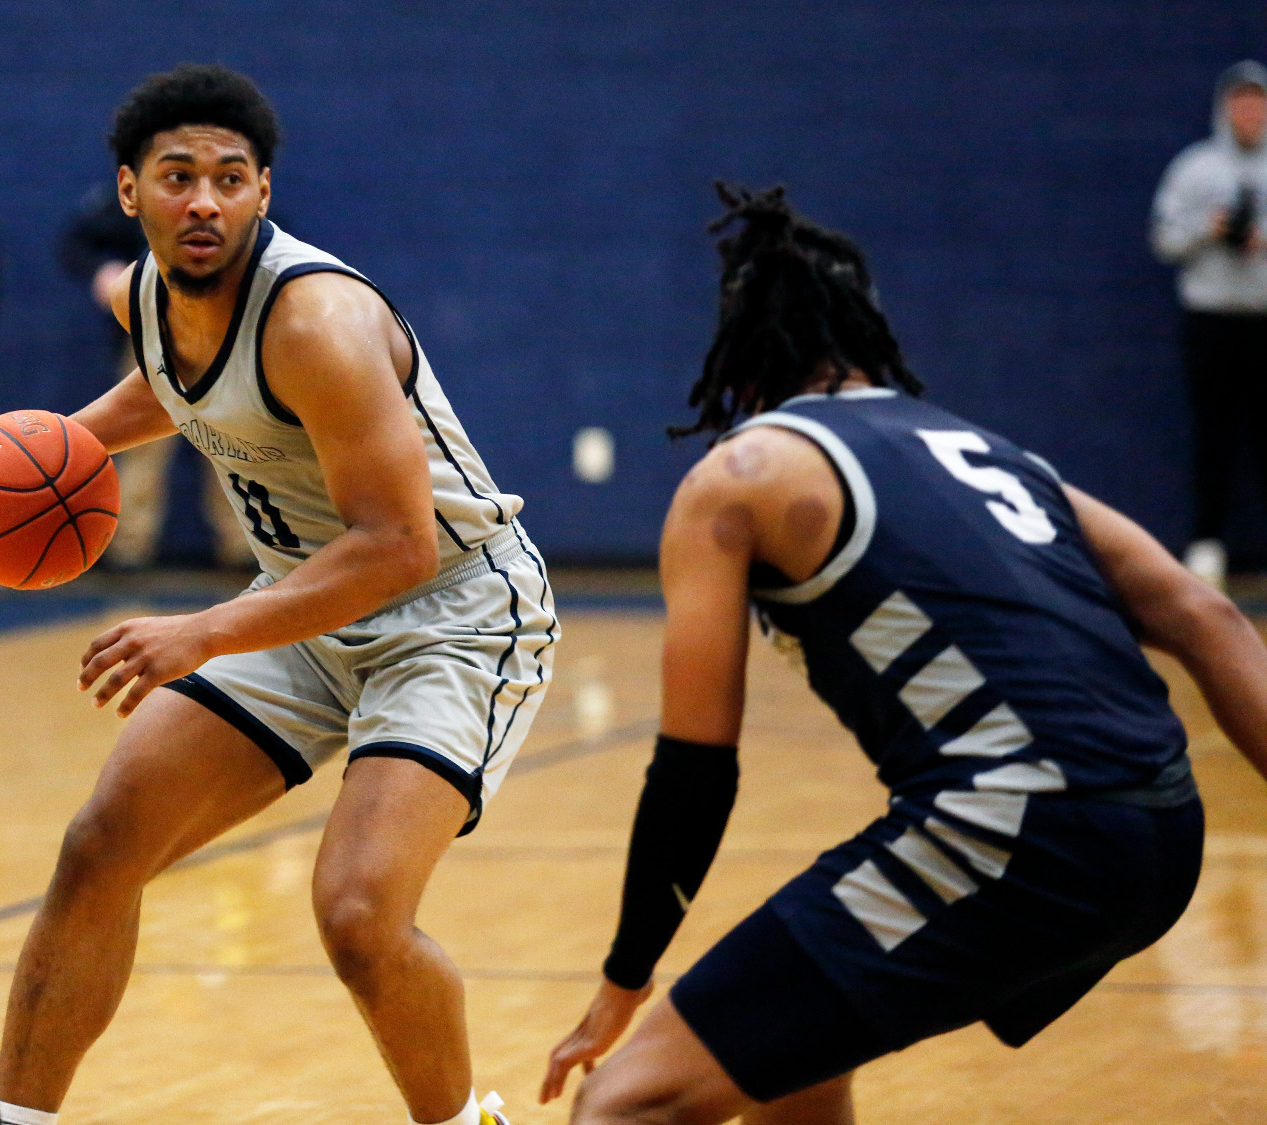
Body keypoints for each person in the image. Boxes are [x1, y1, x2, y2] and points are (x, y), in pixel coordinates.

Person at [539, 185, 1267, 1125]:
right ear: (864, 332)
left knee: (625, 1104)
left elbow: (695, 769)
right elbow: (1208, 615)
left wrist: (624, 977)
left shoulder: (743, 474)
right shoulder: (988, 450)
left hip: (1020, 823)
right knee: (794, 1055)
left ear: (739, 352)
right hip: (1165, 825)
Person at [0, 66, 554, 1125]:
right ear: (130, 192)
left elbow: (398, 547)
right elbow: (175, 386)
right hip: (304, 603)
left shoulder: (317, 322)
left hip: (449, 616)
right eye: (177, 177)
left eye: (229, 178)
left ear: (263, 190)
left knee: (358, 914)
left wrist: (202, 632)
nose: (203, 201)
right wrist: (59, 450)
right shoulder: (149, 297)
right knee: (102, 844)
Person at [59, 181, 255, 571]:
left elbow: (268, 247)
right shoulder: (139, 196)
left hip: (220, 336)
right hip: (152, 334)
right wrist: (102, 270)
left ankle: (244, 545)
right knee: (140, 443)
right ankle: (130, 548)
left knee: (232, 440)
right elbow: (77, 241)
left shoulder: (232, 196)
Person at [1152, 60, 1267, 591]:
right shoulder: (1195, 167)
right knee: (1213, 434)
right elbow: (1164, 239)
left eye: (1258, 102)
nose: (1250, 112)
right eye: (1241, 102)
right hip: (1211, 320)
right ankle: (1207, 543)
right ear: (1225, 108)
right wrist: (1208, 229)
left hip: (1263, 319)